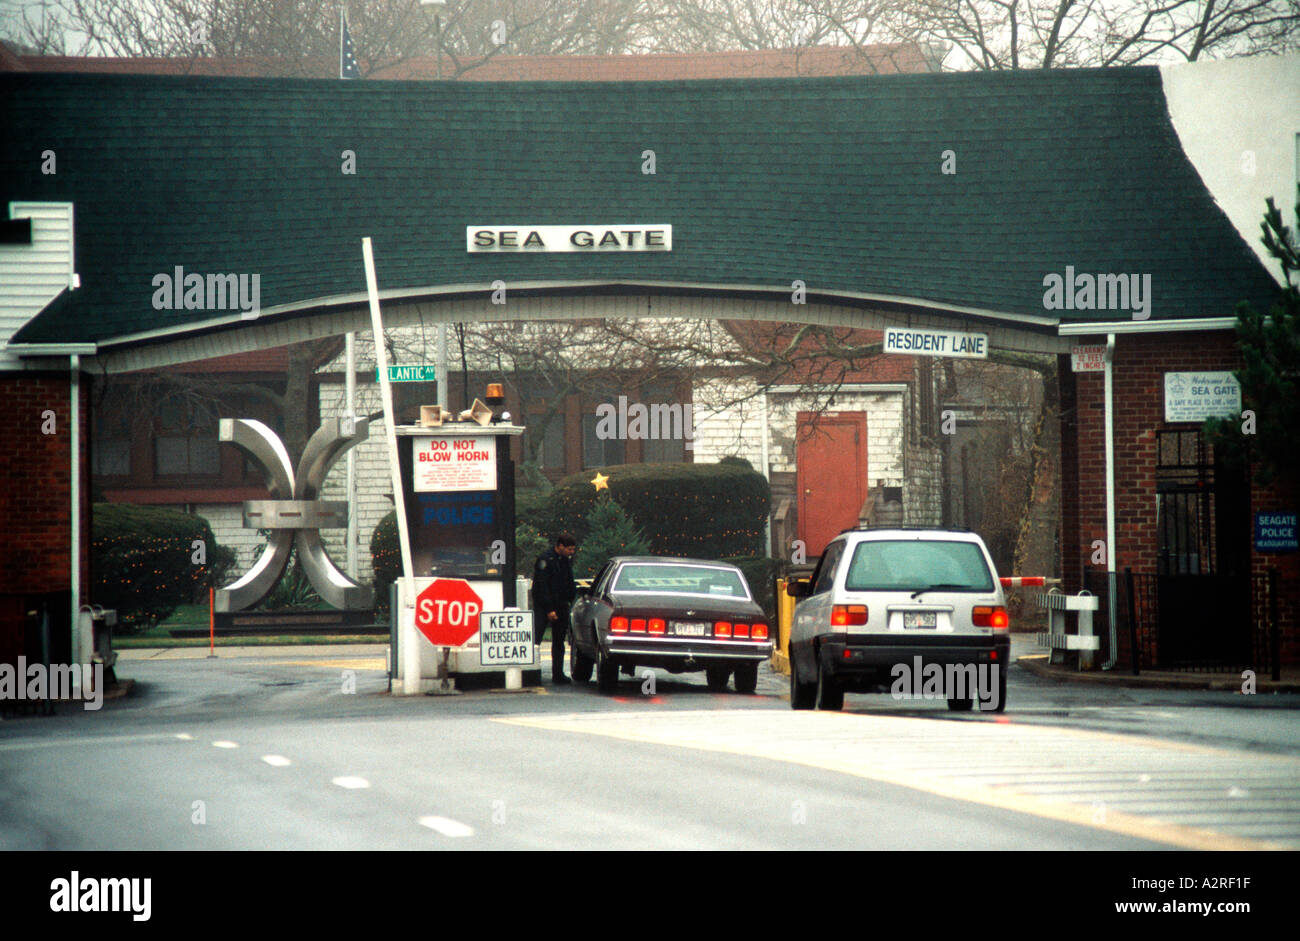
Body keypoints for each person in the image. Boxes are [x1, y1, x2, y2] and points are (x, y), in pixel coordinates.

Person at [532, 534, 577, 684]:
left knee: (559, 642)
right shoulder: (545, 560)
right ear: (560, 546)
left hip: (561, 605)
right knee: (536, 640)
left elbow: (568, 581)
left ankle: (558, 674)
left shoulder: (565, 561)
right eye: (569, 549)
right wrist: (549, 609)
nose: (572, 552)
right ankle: (532, 673)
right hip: (544, 607)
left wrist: (570, 598)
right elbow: (541, 586)